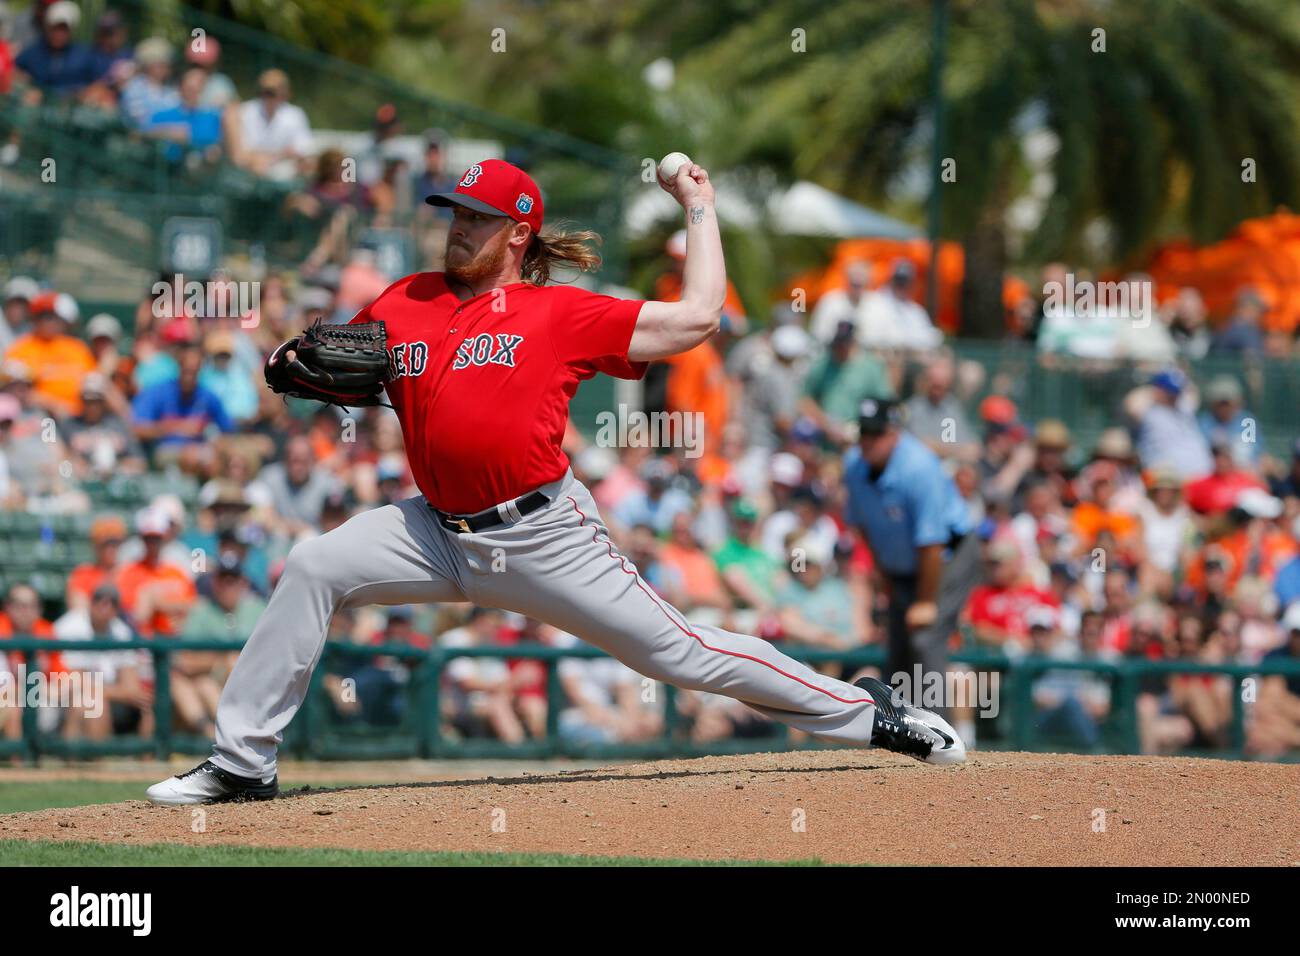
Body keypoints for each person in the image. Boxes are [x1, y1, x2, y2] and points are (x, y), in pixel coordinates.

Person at [147, 157, 966, 805]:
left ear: (517, 233)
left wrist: (698, 205)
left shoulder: (558, 310)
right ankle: (243, 763)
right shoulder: (407, 299)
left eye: (476, 218)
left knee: (678, 653)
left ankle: (870, 715)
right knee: (315, 566)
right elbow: (337, 365)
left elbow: (698, 319)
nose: (457, 228)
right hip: (435, 530)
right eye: (452, 213)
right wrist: (292, 363)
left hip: (541, 533)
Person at [843, 398, 979, 728]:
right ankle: (898, 731)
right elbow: (866, 530)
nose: (869, 441)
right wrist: (886, 579)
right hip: (903, 565)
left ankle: (943, 735)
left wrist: (925, 602)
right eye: (864, 433)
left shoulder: (919, 466)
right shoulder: (854, 466)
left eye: (877, 434)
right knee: (898, 645)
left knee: (925, 637)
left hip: (950, 556)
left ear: (895, 434)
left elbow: (932, 544)